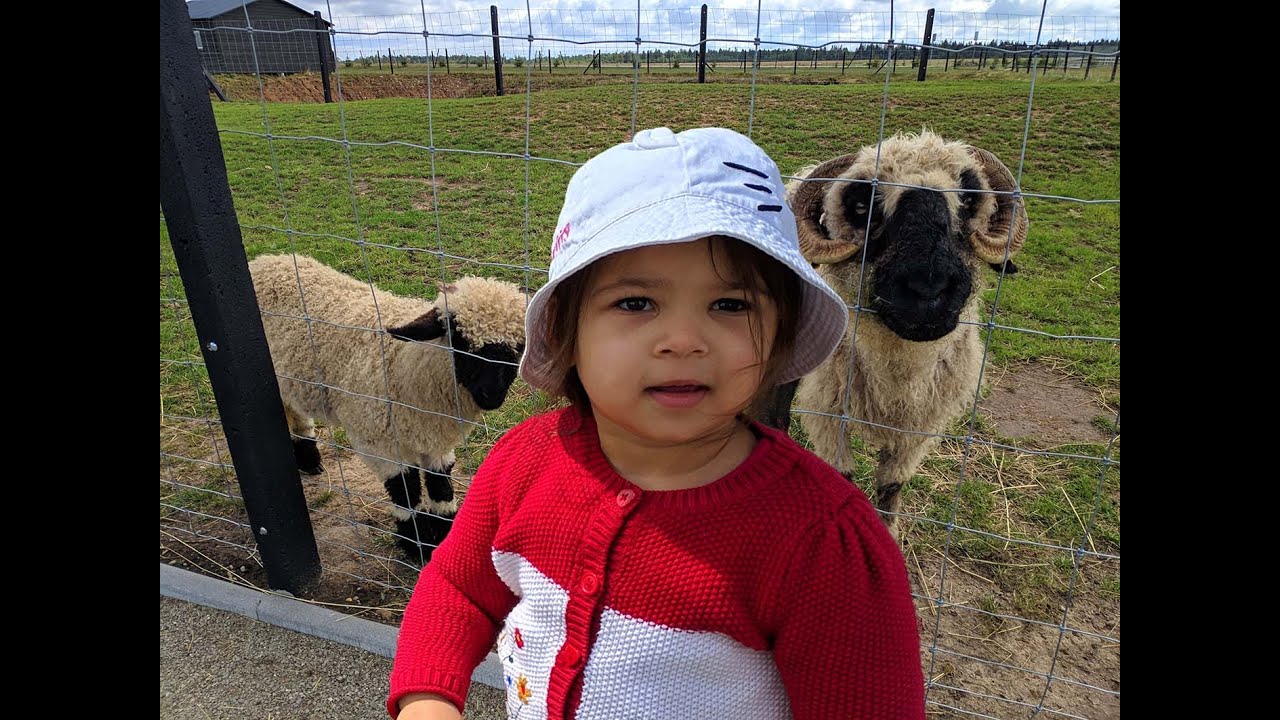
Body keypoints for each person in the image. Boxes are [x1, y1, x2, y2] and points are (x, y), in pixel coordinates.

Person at [388, 126, 925, 720]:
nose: (683, 341)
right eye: (636, 303)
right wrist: (427, 701)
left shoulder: (823, 544)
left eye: (731, 305)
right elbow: (459, 590)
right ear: (566, 330)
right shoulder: (522, 465)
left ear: (779, 333)